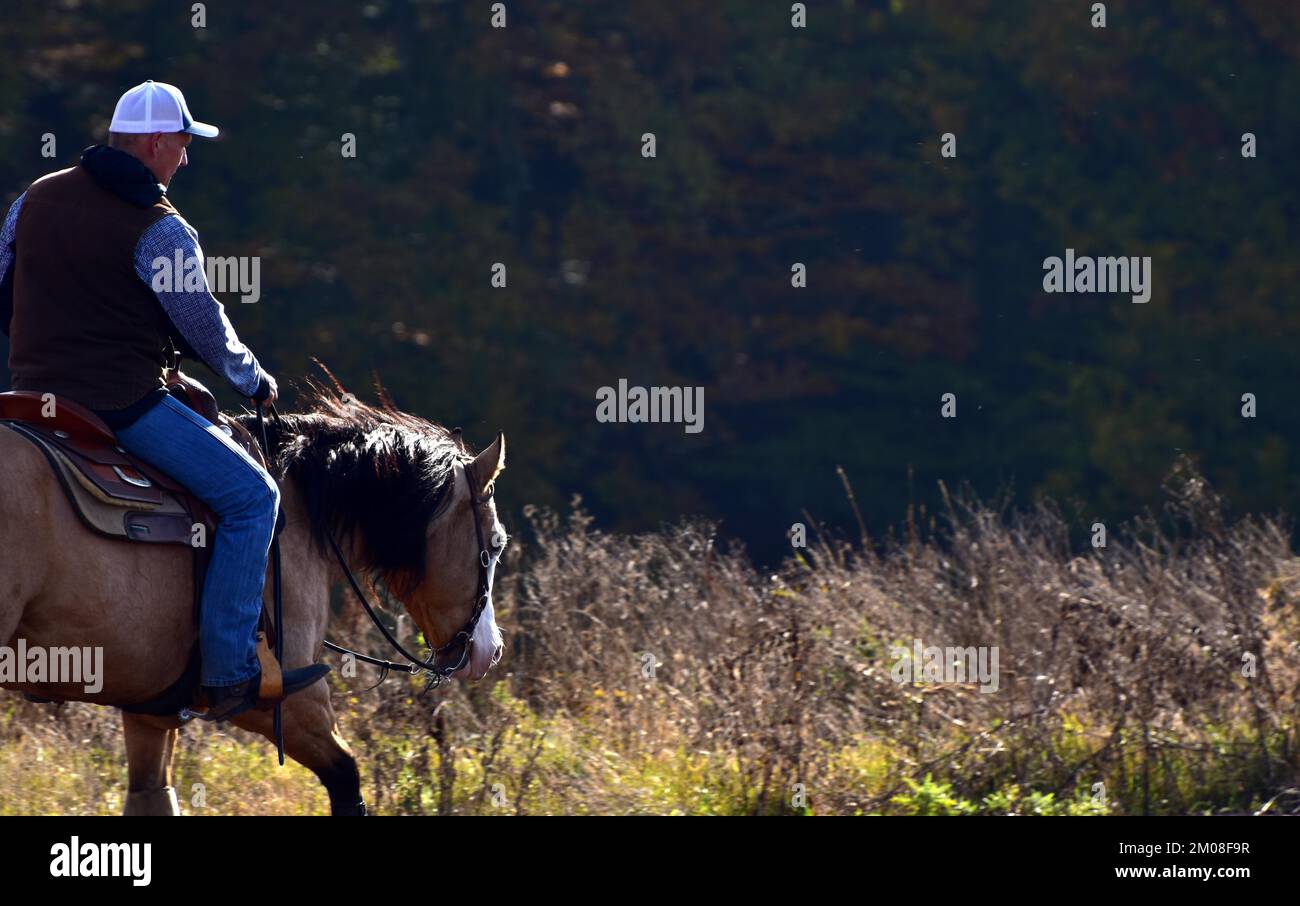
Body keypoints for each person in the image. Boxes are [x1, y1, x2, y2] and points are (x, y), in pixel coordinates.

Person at [0, 80, 328, 721]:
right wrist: (252, 378)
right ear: (153, 142)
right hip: (116, 402)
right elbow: (204, 325)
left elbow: (2, 285)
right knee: (252, 497)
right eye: (181, 143)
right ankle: (230, 669)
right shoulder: (160, 229)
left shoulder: (34, 199)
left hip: (27, 395)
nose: (184, 158)